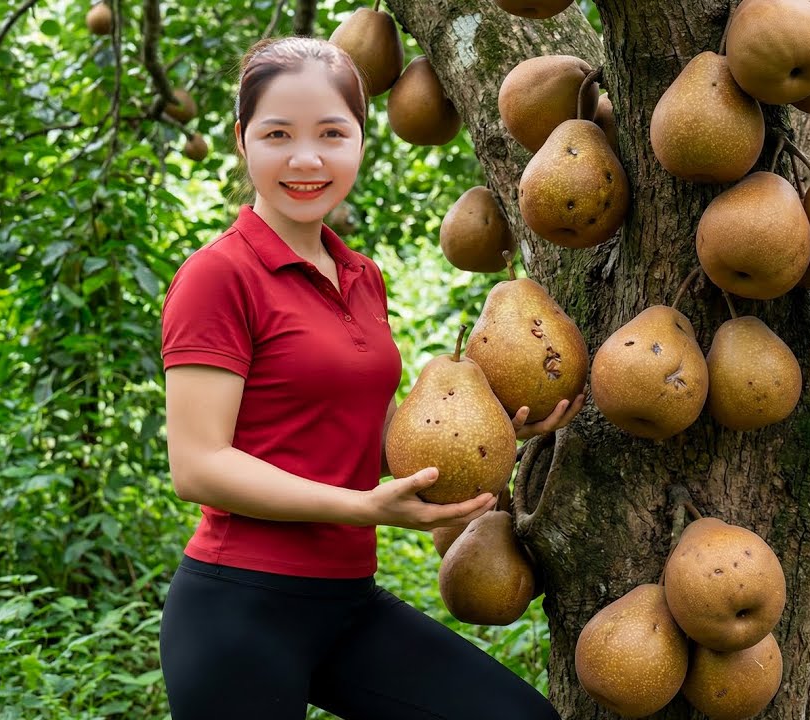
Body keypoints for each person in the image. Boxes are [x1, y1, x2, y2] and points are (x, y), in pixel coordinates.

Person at [157, 36, 584, 720]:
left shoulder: (360, 276)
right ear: (242, 141)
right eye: (277, 134)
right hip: (238, 605)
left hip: (346, 602)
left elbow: (365, 429)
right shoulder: (218, 276)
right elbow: (198, 465)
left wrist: (499, 431)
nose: (306, 158)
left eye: (332, 133)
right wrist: (362, 506)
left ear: (359, 141)